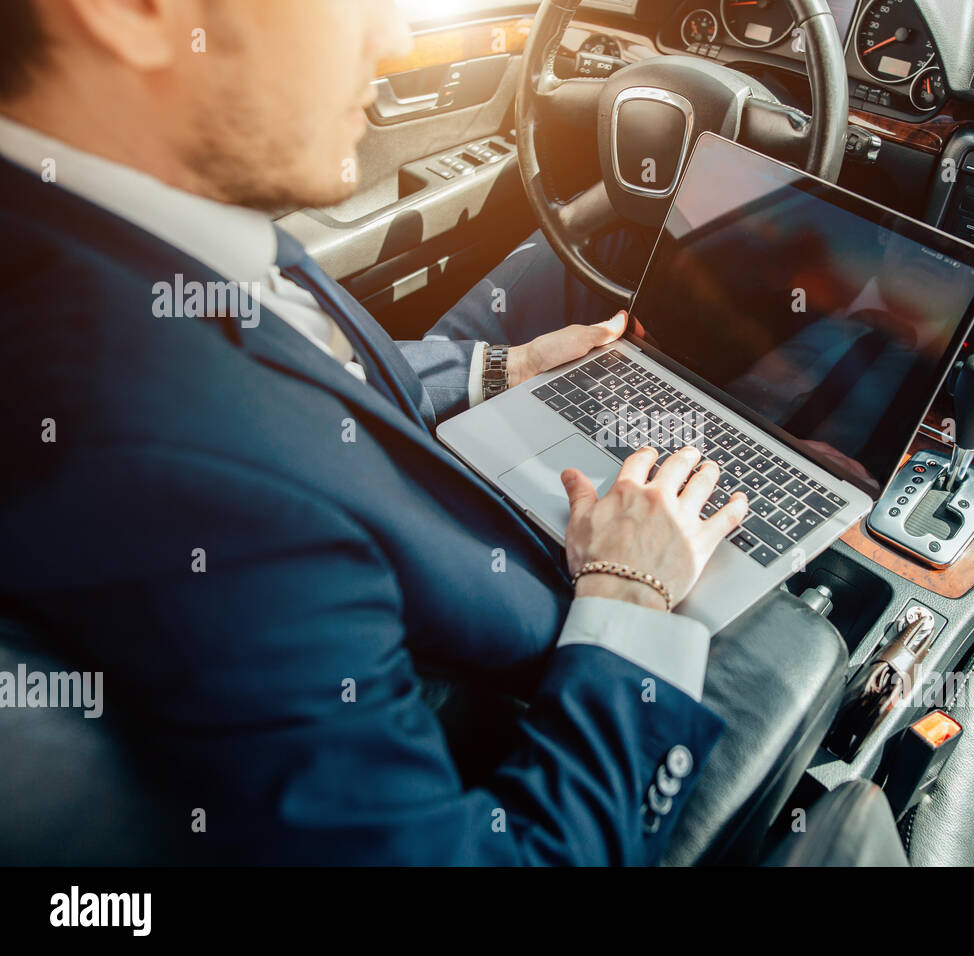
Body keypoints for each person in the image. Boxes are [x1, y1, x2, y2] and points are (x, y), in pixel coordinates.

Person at [0, 0, 748, 864]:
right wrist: (627, 595)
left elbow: (310, 367)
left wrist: (500, 370)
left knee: (562, 280)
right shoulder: (177, 471)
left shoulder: (127, 224)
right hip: (540, 668)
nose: (393, 39)